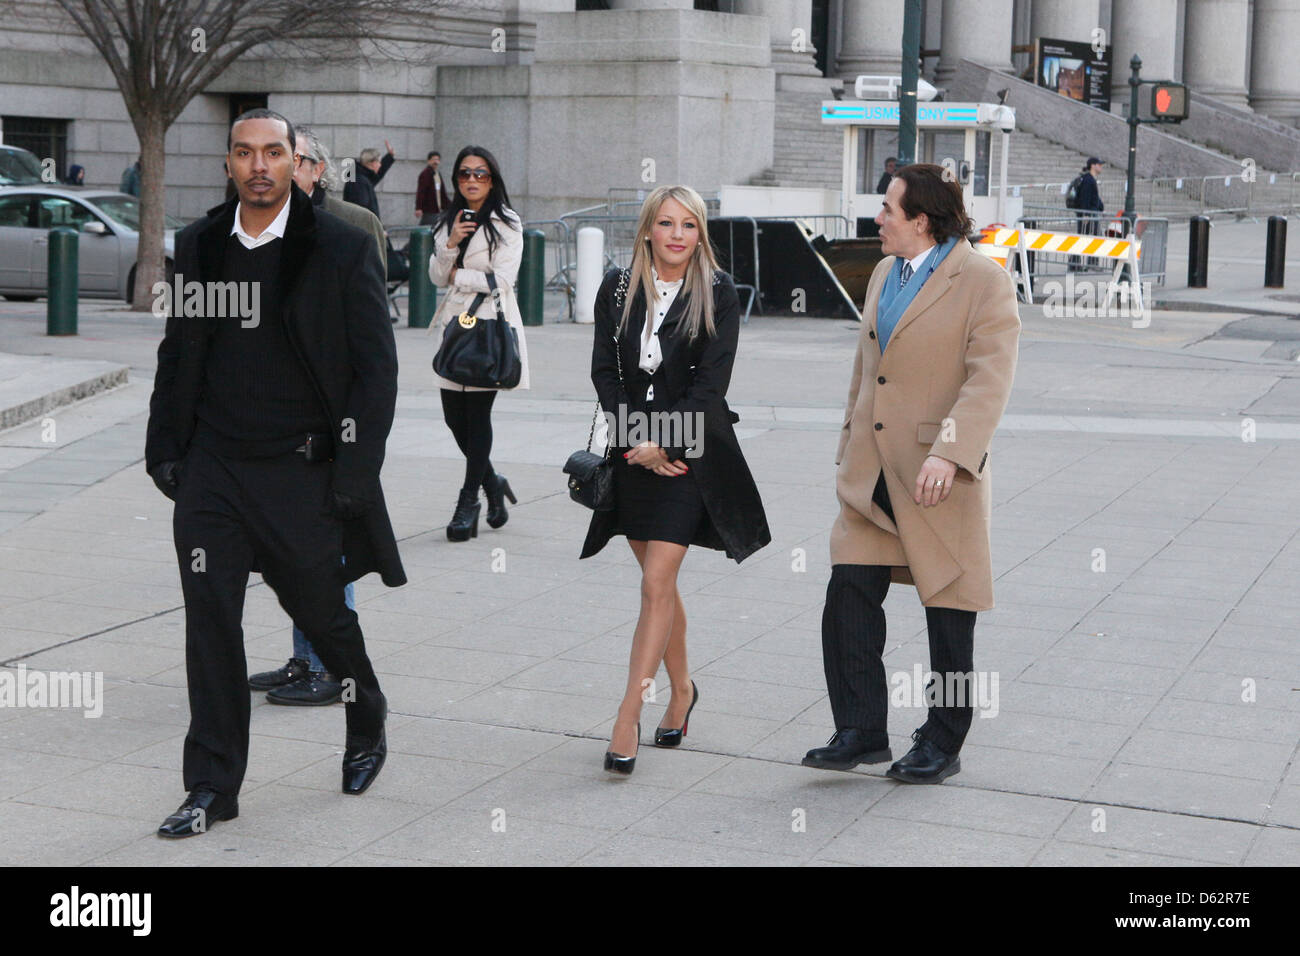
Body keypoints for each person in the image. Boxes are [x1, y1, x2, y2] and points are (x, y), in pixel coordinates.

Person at [146, 108, 405, 837]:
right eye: (244, 153)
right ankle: (212, 786)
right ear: (228, 163)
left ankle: (367, 706)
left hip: (301, 473)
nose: (259, 165)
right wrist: (166, 451)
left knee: (324, 617)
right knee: (210, 627)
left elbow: (374, 374)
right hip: (214, 473)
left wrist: (355, 472)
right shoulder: (199, 246)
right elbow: (179, 353)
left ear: (296, 161)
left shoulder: (341, 248)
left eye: (272, 152)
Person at [803, 163, 1019, 785]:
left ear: (919, 221)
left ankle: (942, 740)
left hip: (934, 475)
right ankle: (862, 730)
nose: (878, 219)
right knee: (848, 594)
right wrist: (847, 445)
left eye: (887, 210)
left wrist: (950, 454)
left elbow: (989, 378)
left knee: (948, 610)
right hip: (871, 474)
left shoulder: (982, 280)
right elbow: (866, 367)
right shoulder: (880, 273)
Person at [581, 184, 771, 776]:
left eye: (689, 225)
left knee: (655, 583)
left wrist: (663, 444)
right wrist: (636, 443)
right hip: (632, 455)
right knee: (658, 585)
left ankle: (627, 712)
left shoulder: (717, 292)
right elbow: (604, 371)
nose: (678, 236)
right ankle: (684, 689)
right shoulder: (617, 287)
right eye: (667, 224)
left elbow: (710, 387)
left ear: (700, 234)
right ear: (647, 230)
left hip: (690, 455)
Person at [243, 124, 388, 708]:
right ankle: (304, 659)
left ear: (313, 169)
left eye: (288, 158)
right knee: (291, 550)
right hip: (273, 423)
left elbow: (370, 336)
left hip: (333, 420)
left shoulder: (353, 227)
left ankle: (337, 668)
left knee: (330, 551)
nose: (275, 169)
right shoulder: (256, 229)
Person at [429, 145, 529, 540]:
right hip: (456, 326)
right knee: (455, 419)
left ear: (492, 179)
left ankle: (467, 500)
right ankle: (492, 482)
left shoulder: (507, 223)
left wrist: (459, 276)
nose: (472, 180)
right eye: (465, 174)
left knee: (477, 416)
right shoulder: (448, 220)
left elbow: (502, 281)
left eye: (481, 174)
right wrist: (450, 243)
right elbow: (436, 276)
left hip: (489, 326)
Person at [343, 141, 395, 219]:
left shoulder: (362, 176)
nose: (380, 165)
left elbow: (378, 174)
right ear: (373, 163)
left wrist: (389, 156)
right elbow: (362, 211)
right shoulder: (359, 181)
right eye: (379, 162)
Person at [415, 151, 451, 225]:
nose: (436, 162)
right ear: (429, 161)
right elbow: (421, 191)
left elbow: (442, 192)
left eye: (437, 160)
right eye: (434, 159)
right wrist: (418, 208)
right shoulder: (425, 174)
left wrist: (450, 205)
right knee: (428, 227)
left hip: (438, 209)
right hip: (429, 209)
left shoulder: (437, 174)